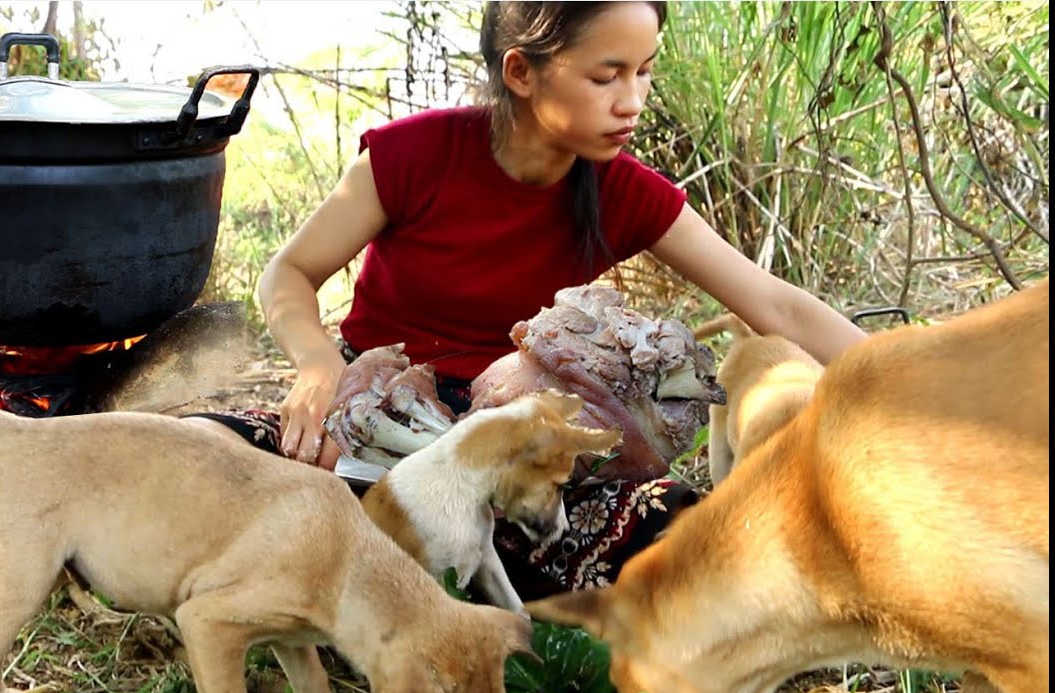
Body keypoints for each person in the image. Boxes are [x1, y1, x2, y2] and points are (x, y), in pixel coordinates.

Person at [190, 0, 867, 597]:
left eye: (644, 71)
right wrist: (317, 364)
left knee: (683, 536)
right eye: (607, 76)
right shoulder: (413, 155)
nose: (633, 99)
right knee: (197, 455)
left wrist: (915, 375)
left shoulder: (621, 189)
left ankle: (398, 560)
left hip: (515, 432)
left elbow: (776, 307)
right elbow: (289, 272)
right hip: (376, 409)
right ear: (521, 71)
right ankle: (405, 554)